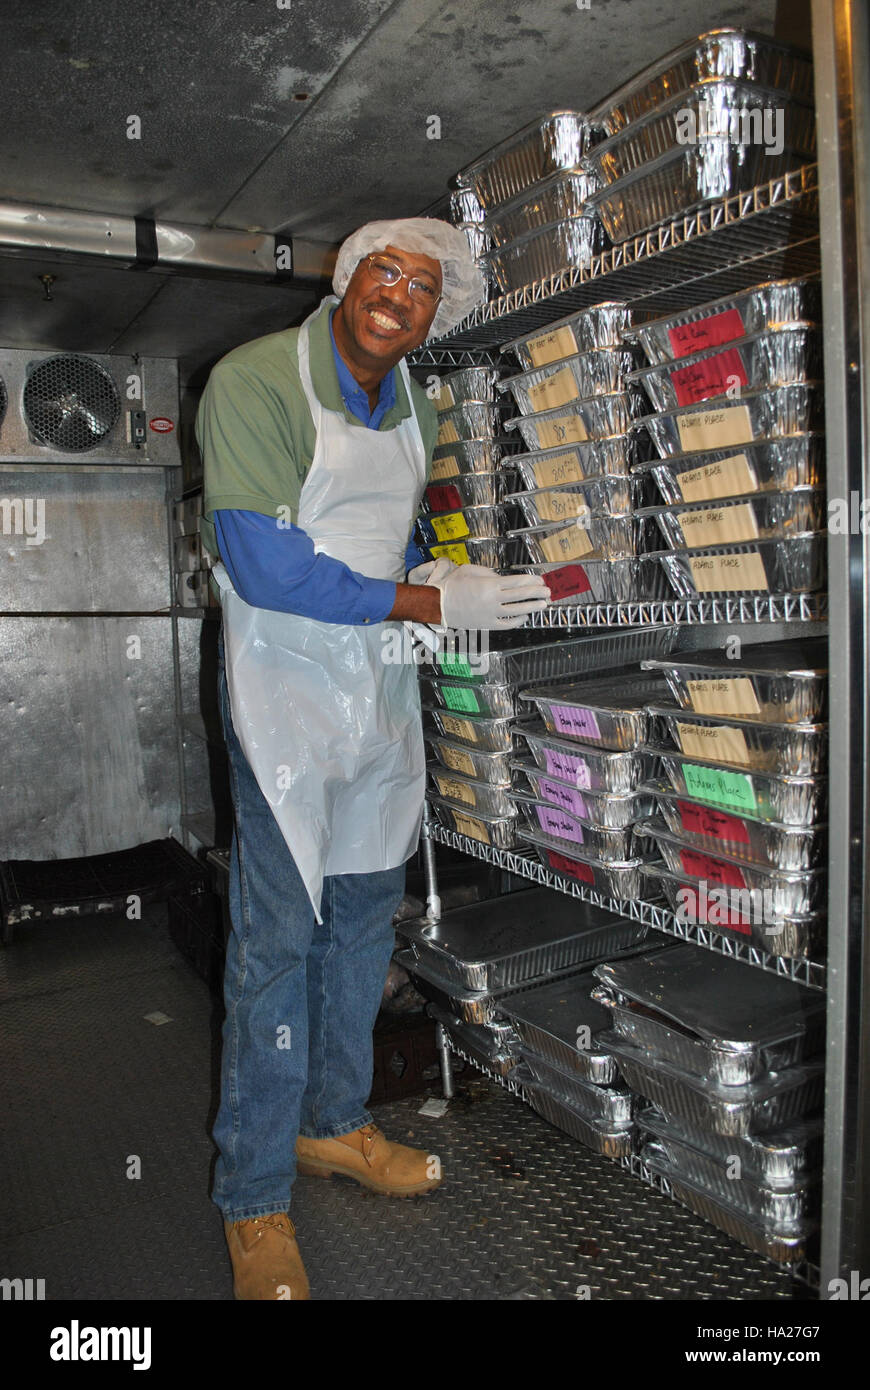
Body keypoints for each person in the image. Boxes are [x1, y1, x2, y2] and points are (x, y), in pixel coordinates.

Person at [195, 217, 549, 1301]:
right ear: (347, 280)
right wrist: (424, 598)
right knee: (273, 946)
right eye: (383, 271)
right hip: (286, 705)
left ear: (434, 314)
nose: (400, 293)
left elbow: (386, 547)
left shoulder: (418, 406)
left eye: (424, 286)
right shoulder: (253, 381)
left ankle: (334, 1123)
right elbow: (267, 565)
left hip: (376, 701)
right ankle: (253, 1198)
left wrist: (449, 585)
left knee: (357, 929)